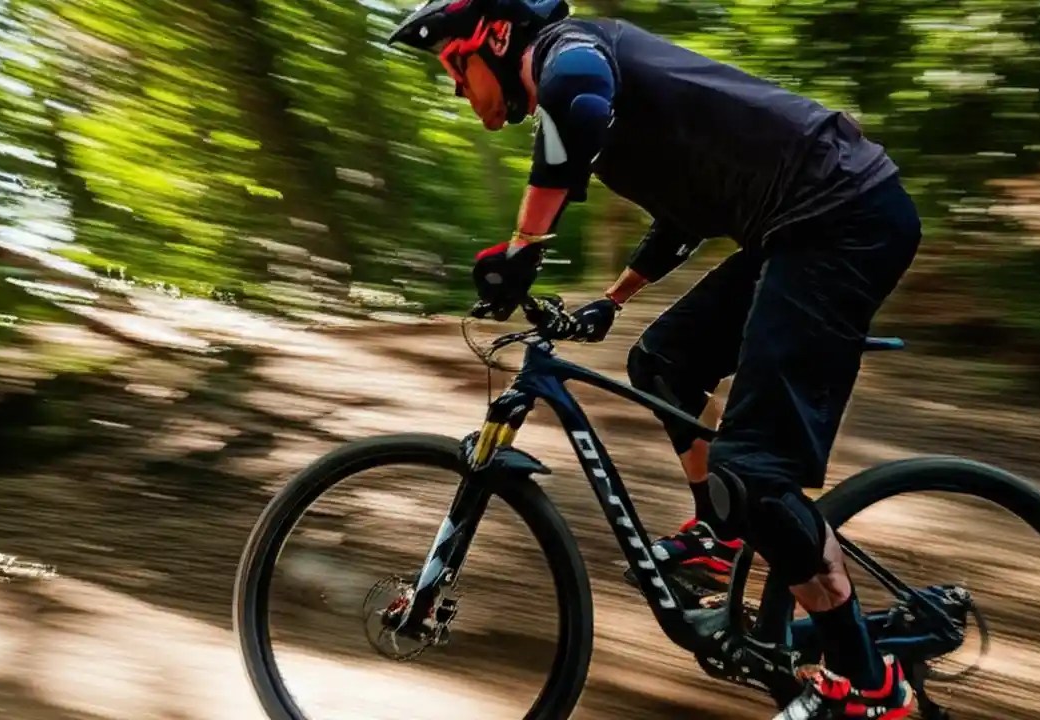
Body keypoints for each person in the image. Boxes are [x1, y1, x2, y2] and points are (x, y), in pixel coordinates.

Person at [388, 1, 921, 718]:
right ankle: (719, 532)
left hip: (840, 218)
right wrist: (613, 297)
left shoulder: (567, 52)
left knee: (755, 476)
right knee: (662, 362)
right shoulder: (611, 122)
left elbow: (576, 98)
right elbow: (685, 221)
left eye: (453, 63)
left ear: (492, 34)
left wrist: (524, 244)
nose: (454, 86)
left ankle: (871, 685)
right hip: (798, 225)